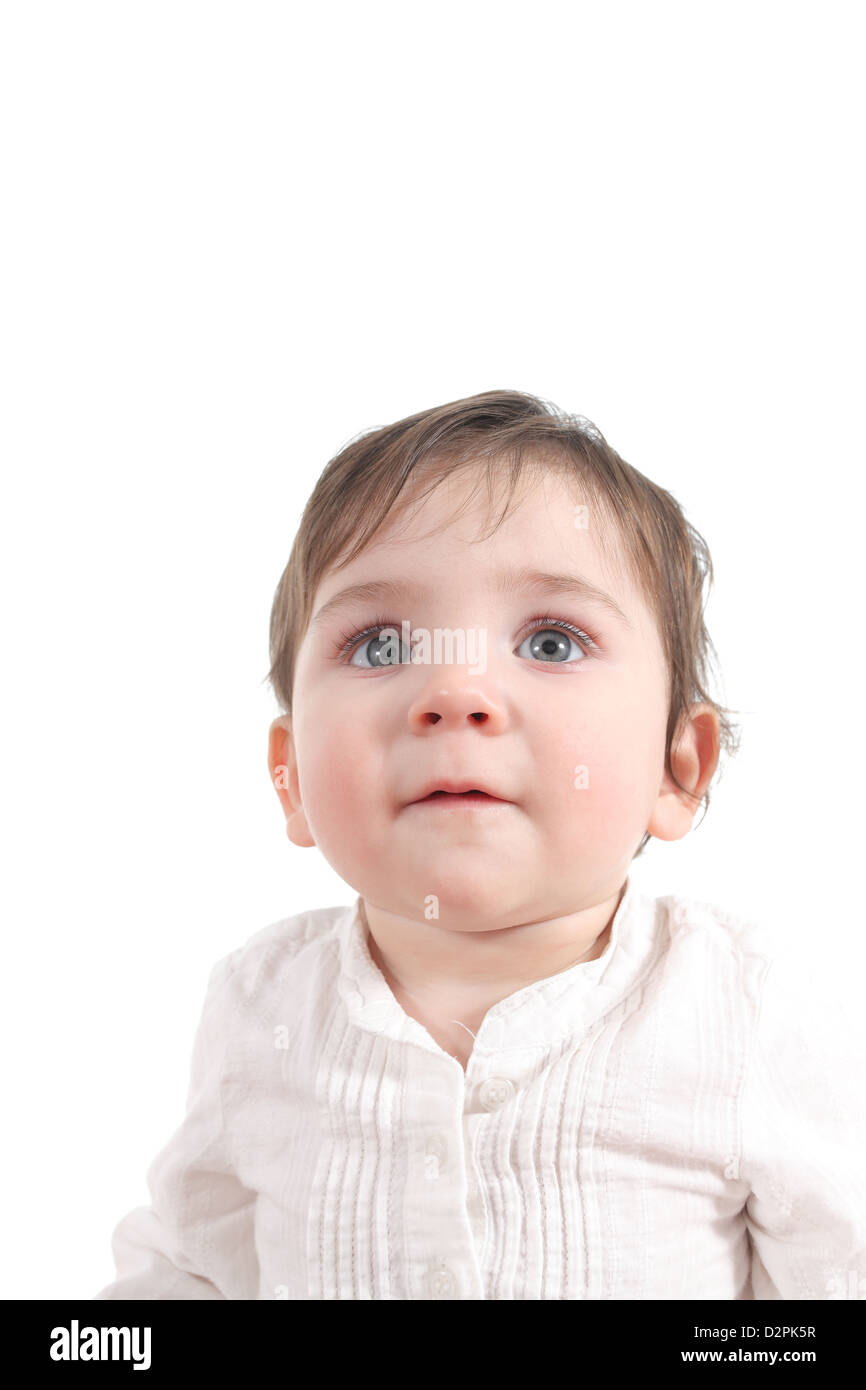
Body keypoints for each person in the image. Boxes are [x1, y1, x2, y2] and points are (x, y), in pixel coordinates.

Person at [95, 388, 865, 1300]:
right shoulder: (261, 1005)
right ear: (291, 776)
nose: (457, 691)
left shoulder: (739, 1006)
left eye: (550, 640)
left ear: (676, 767)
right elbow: (190, 1268)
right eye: (380, 646)